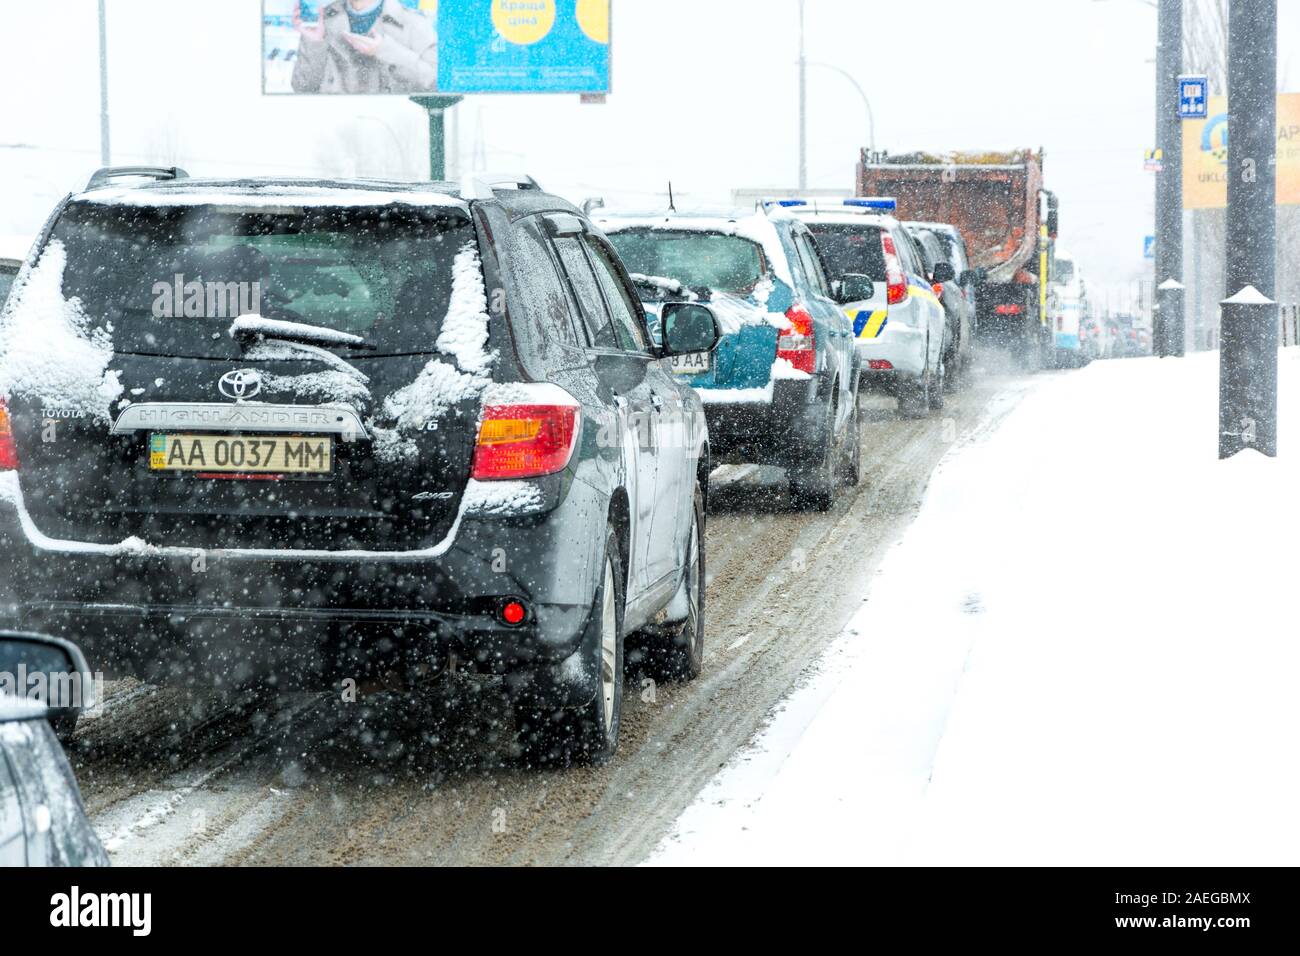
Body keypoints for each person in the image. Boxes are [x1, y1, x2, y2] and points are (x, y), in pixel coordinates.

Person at [291, 0, 438, 94]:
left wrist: (386, 51)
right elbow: (303, 88)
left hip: (393, 132)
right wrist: (314, 43)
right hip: (333, 130)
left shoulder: (414, 24)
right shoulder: (323, 19)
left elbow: (432, 85)